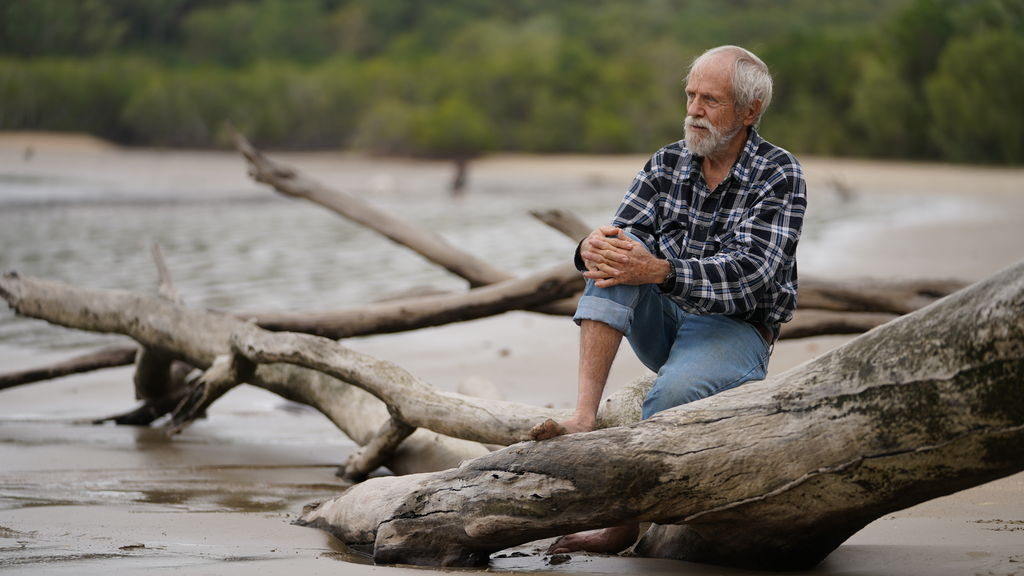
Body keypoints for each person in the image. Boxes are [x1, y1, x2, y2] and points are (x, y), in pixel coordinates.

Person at [528, 45, 807, 555]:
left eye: (710, 100)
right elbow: (621, 238)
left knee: (664, 404)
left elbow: (752, 276)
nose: (694, 110)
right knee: (618, 249)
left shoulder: (780, 174)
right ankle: (584, 416)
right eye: (690, 96)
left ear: (750, 112)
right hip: (665, 319)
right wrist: (588, 247)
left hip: (736, 328)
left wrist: (660, 270)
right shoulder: (667, 161)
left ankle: (624, 521)